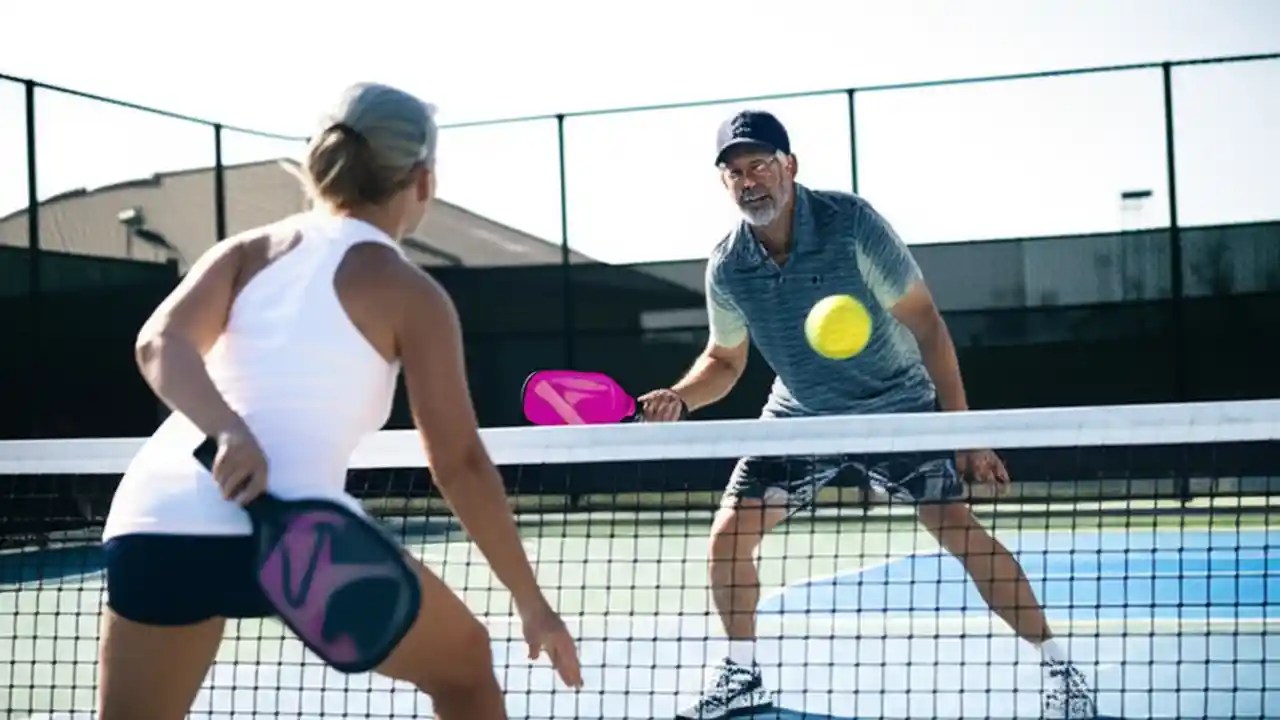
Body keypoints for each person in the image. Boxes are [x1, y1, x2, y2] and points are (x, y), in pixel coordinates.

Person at [96, 82, 582, 720]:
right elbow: (459, 462)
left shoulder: (245, 251)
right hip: (308, 543)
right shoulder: (413, 294)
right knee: (465, 675)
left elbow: (161, 343)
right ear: (423, 181)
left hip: (156, 523)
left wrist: (229, 430)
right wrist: (532, 602)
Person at [639, 109, 1096, 720]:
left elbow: (927, 324)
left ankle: (1061, 671)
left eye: (760, 166)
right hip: (802, 415)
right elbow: (724, 361)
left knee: (959, 533)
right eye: (735, 172)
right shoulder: (729, 267)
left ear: (789, 167)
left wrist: (963, 432)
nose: (749, 182)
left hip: (897, 408)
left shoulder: (851, 225)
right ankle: (743, 673)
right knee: (728, 538)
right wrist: (679, 396)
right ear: (725, 184)